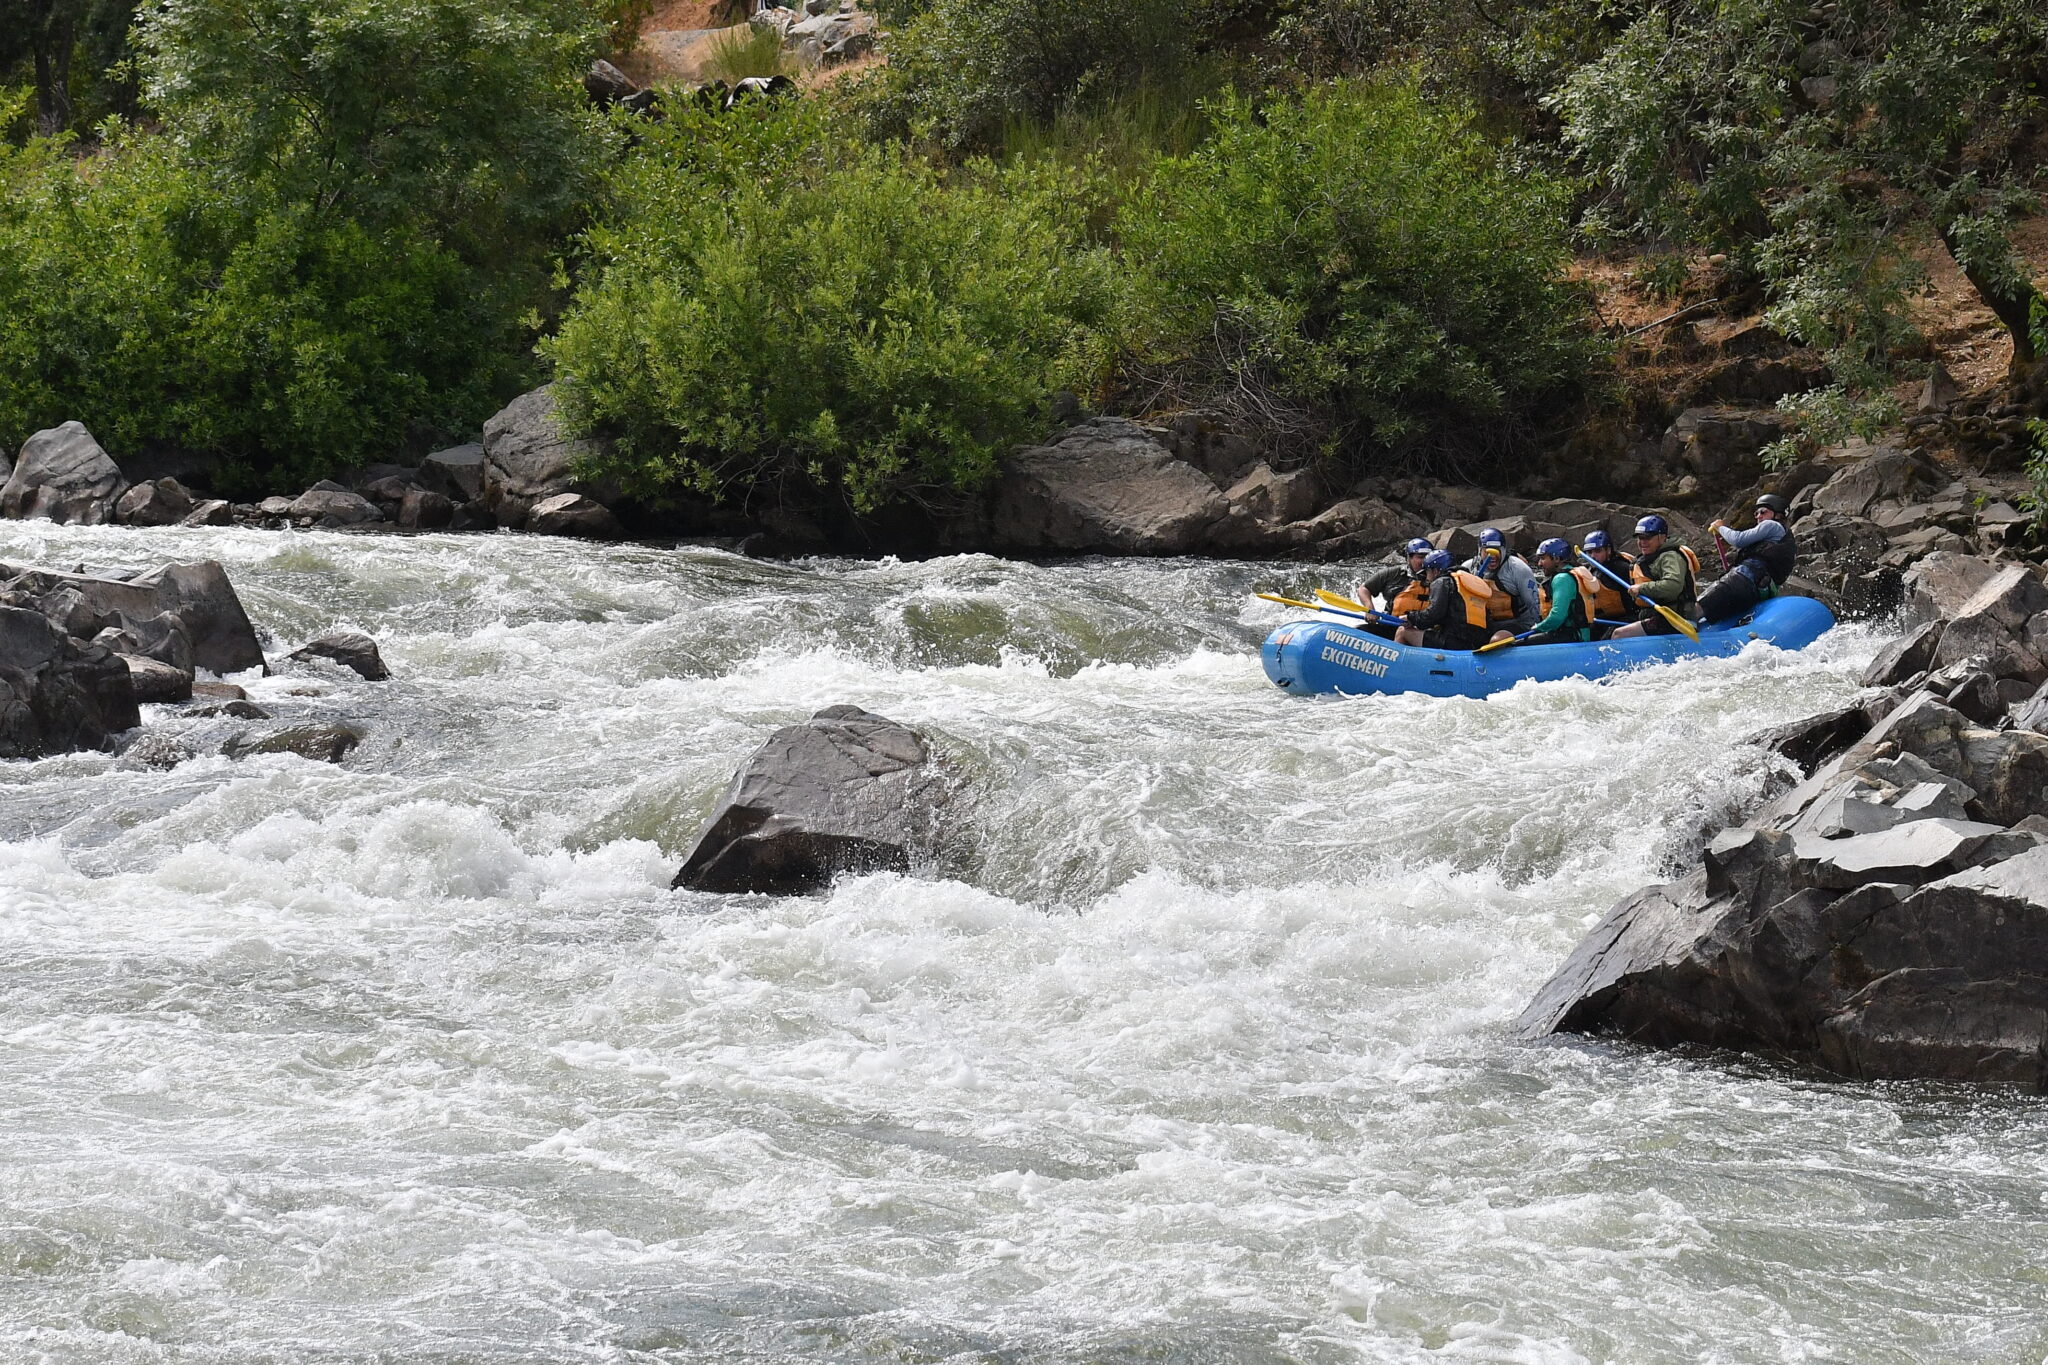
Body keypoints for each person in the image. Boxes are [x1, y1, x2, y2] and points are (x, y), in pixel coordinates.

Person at [1697, 494, 1798, 623]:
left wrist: (1720, 527)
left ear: (1777, 515)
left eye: (1763, 512)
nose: (1759, 516)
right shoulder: (1785, 537)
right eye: (1756, 513)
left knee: (1695, 610)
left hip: (1744, 578)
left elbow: (1738, 539)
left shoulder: (1771, 525)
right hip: (1758, 588)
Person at [1606, 514, 1700, 639]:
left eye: (1647, 538)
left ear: (1662, 537)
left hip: (1676, 619)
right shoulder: (1653, 557)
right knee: (1611, 630)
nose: (1642, 542)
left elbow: (1673, 586)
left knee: (1618, 634)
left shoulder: (1670, 556)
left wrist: (1641, 588)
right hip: (1660, 617)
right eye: (1640, 538)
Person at [1395, 550, 1494, 651]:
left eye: (1427, 572)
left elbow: (1434, 614)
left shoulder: (1441, 581)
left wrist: (1411, 618)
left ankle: (1397, 665)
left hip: (1455, 644)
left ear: (1436, 571)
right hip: (1479, 642)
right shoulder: (1470, 582)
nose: (1426, 577)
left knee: (1402, 631)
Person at [1465, 528, 1541, 643]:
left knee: (1497, 639)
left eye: (1497, 550)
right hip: (1485, 623)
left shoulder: (1517, 569)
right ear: (1480, 550)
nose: (1493, 556)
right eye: (1487, 551)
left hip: (1516, 623)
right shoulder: (1469, 567)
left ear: (1504, 550)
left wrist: (1538, 630)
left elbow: (1533, 604)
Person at [1524, 538, 1602, 645]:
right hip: (1578, 633)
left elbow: (1557, 617)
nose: (1539, 563)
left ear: (1556, 558)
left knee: (1520, 643)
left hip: (1571, 636)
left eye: (1543, 558)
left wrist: (1538, 628)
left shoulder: (1562, 579)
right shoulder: (1571, 572)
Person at [1354, 538, 1433, 631]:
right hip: (1391, 625)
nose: (1425, 561)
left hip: (1422, 631)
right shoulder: (1394, 573)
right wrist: (1370, 609)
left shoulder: (1438, 578)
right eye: (1421, 557)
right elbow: (1363, 589)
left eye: (1428, 557)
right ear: (1408, 558)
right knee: (1359, 630)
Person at [1578, 529, 1635, 633]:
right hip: (1605, 619)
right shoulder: (1591, 570)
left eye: (1598, 551)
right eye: (1589, 552)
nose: (1592, 556)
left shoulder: (1621, 568)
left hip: (1627, 618)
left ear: (1608, 550)